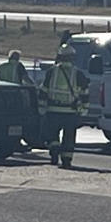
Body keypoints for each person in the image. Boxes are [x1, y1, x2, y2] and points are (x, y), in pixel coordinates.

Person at [40, 32, 88, 168]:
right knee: (69, 137)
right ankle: (67, 160)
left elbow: (44, 91)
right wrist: (83, 110)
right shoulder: (78, 74)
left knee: (52, 134)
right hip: (70, 112)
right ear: (73, 58)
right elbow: (85, 94)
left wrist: (41, 108)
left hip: (53, 110)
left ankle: (54, 152)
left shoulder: (51, 72)